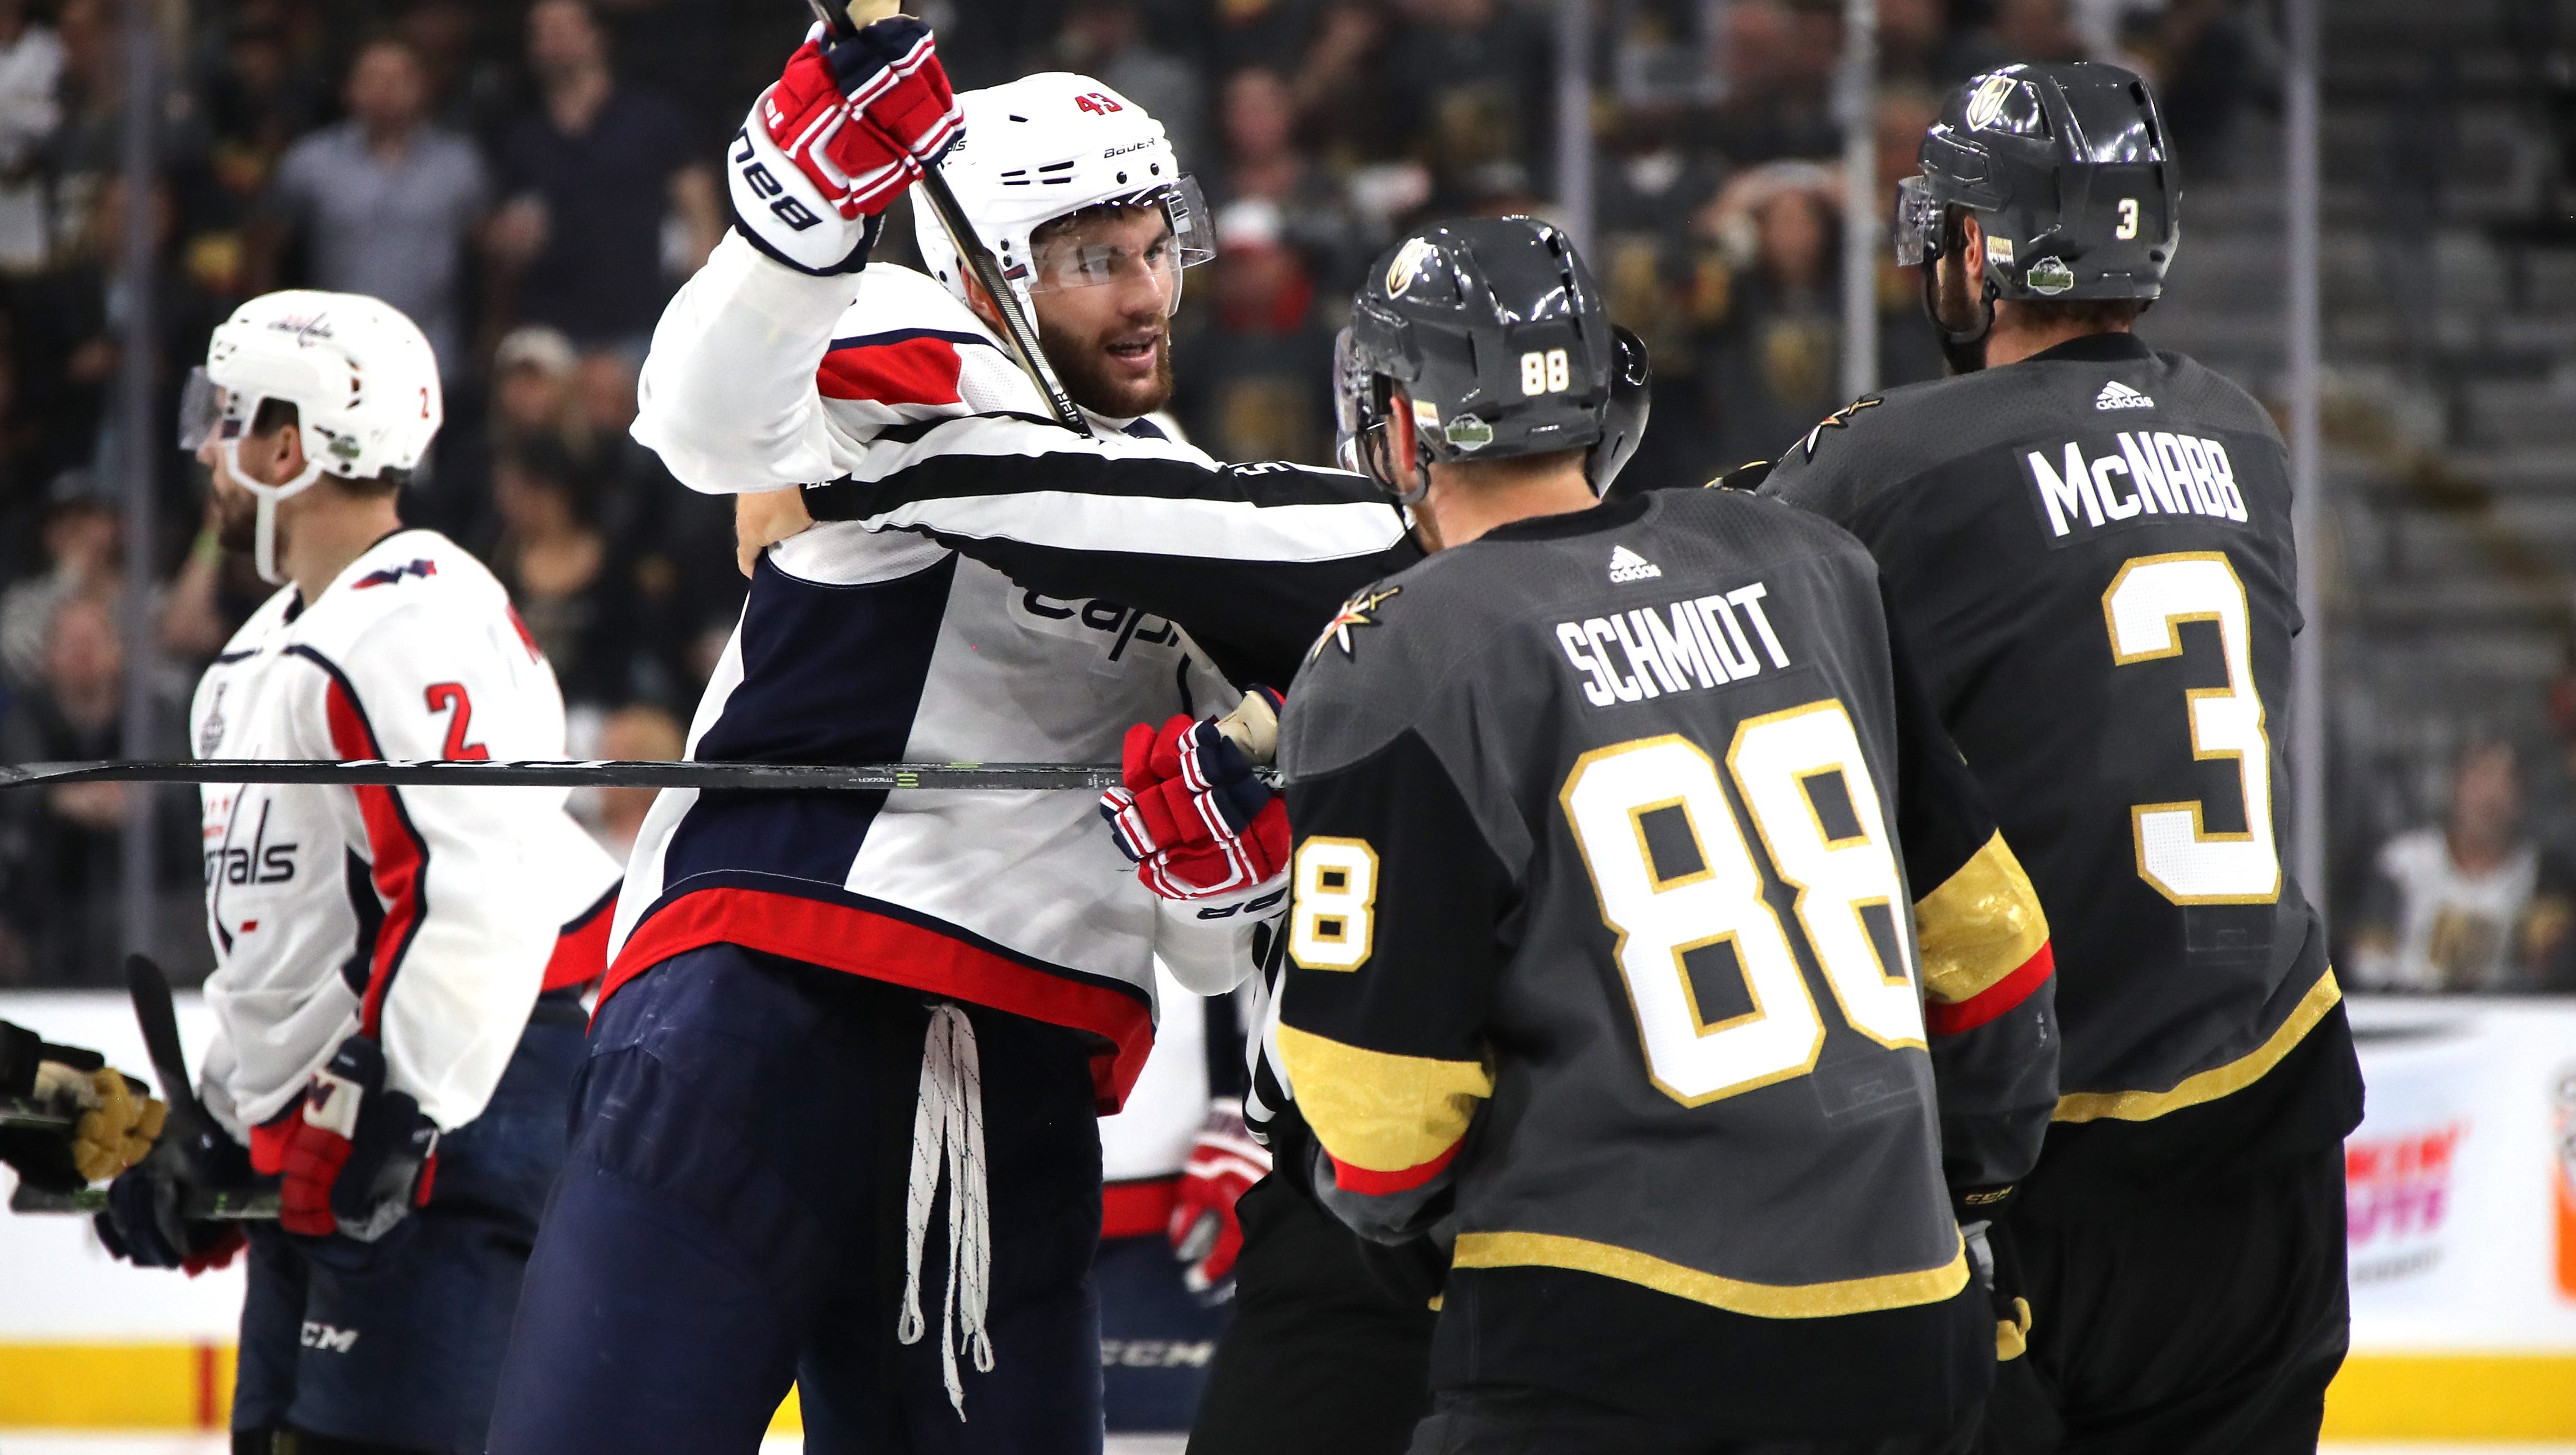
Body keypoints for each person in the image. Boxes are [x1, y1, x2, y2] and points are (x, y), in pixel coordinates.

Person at [484, 25, 1414, 1453]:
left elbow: (1211, 951)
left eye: (1156, 246)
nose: (1147, 293)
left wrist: (1226, 853)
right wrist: (816, 193)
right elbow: (702, 416)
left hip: (1017, 1098)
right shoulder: (916, 356)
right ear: (980, 264)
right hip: (755, 1016)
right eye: (1092, 257)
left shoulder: (1182, 504)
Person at [1196, 215, 2059, 1455]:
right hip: (1904, 1322)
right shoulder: (1809, 562)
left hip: (1602, 1334)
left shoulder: (1399, 655)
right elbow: (1993, 943)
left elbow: (1378, 1110)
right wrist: (1955, 1189)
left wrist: (1433, 1245)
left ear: (1397, 424)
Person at [1760, 62, 2366, 1454]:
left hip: (2044, 1146)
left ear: (1977, 246)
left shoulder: (1890, 465)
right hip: (2270, 1108)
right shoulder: (2241, 434)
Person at [92, 290, 622, 1455]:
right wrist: (225, 1130)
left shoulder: (417, 620)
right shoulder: (251, 658)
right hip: (350, 1116)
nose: (207, 448)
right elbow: (278, 945)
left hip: (458, 1111)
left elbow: (472, 890)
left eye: (225, 417)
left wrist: (392, 1111)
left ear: (292, 445)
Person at [489, 0, 720, 355]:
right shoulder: (523, 139)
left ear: (598, 37)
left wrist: (702, 312)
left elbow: (701, 215)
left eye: (564, 29)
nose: (554, 41)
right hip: (554, 335)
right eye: (542, 33)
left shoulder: (654, 119)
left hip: (648, 324)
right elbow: (504, 250)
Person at [253, 37, 489, 377]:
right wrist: (272, 333)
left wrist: (490, 333)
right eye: (374, 78)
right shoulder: (311, 162)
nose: (387, 90)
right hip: (335, 354)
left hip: (432, 351)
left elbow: (491, 259)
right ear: (349, 90)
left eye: (400, 78)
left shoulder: (459, 165)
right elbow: (265, 246)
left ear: (424, 87)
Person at [2347, 738, 2576, 993]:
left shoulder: (2542, 874)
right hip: (2408, 1012)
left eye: (2504, 783)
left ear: (2521, 796)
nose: (2490, 798)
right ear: (2455, 788)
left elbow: (2551, 970)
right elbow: (2367, 964)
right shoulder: (2403, 863)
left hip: (2501, 1017)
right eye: (2479, 780)